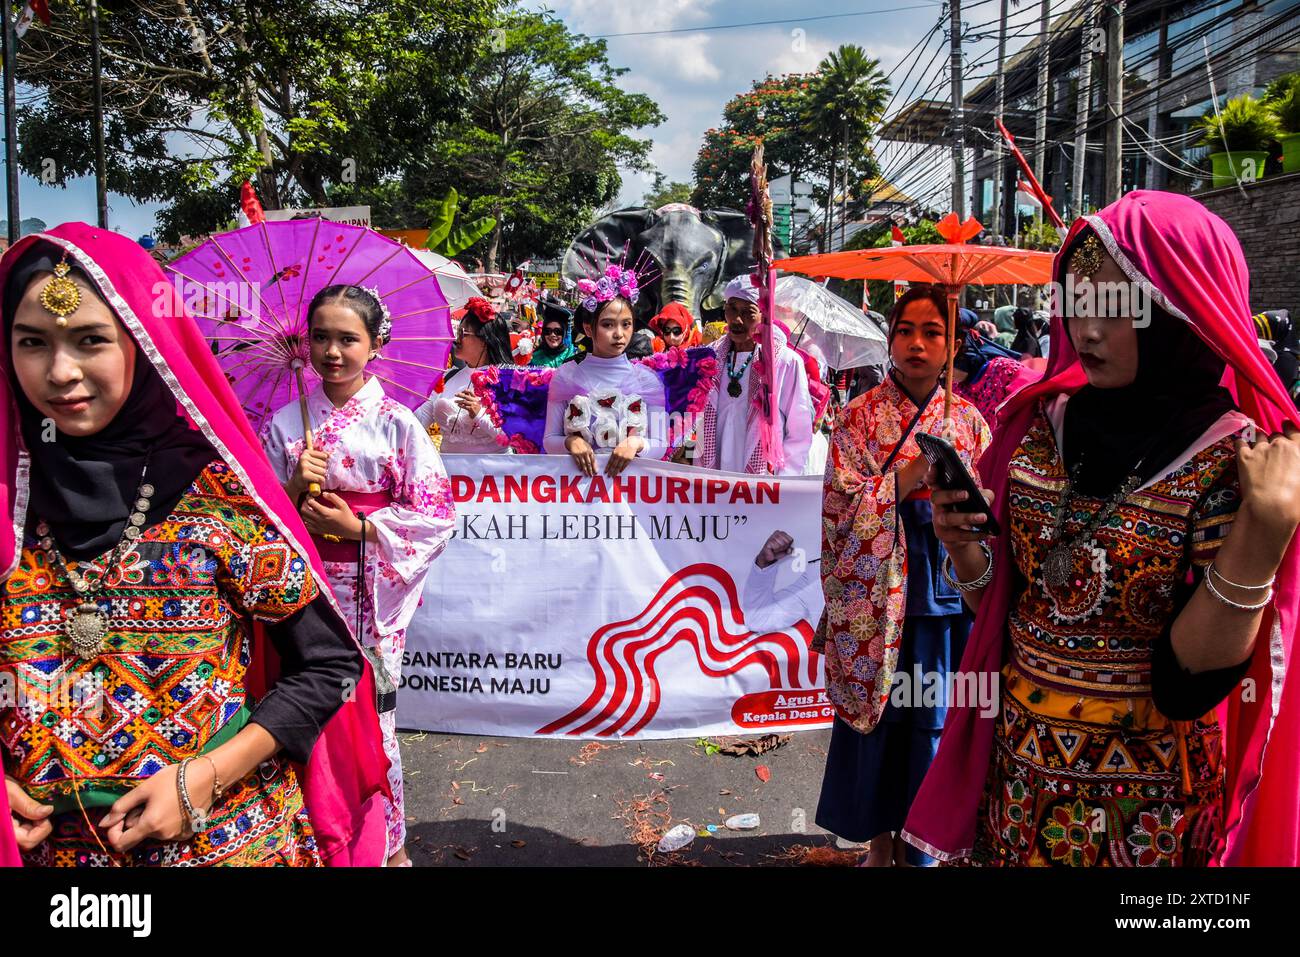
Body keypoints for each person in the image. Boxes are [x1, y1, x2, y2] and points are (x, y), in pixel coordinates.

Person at [907, 191, 1300, 867]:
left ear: (1183, 308)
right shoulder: (1039, 424)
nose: (1086, 329)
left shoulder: (1233, 462)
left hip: (1149, 820)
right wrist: (965, 547)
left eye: (1117, 308)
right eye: (1078, 302)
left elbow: (1187, 685)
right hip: (1019, 792)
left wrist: (1262, 537)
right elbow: (1009, 606)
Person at [0, 225, 389, 867]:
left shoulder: (218, 492)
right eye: (32, 343)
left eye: (91, 340)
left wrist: (199, 782)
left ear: (141, 341)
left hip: (222, 842)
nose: (61, 372)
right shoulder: (5, 501)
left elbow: (331, 668)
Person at [262, 284, 456, 867]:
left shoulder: (398, 424)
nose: (332, 351)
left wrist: (361, 529)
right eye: (320, 337)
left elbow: (437, 515)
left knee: (371, 715)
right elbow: (251, 518)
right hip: (299, 590)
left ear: (375, 346)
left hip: (370, 589)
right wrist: (291, 488)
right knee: (302, 710)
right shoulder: (283, 423)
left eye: (349, 339)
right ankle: (312, 839)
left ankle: (385, 845)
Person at [815, 285, 990, 867]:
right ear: (889, 339)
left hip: (947, 595)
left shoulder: (970, 420)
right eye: (906, 330)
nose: (917, 344)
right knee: (880, 724)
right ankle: (880, 845)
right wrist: (909, 475)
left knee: (934, 724)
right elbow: (840, 508)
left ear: (953, 345)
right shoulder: (856, 418)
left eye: (933, 332)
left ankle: (926, 846)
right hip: (877, 597)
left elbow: (994, 510)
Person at [694, 276, 815, 475]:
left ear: (764, 314)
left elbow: (799, 431)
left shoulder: (784, 361)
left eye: (748, 312)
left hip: (763, 483)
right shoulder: (709, 358)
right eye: (731, 309)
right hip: (712, 478)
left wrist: (783, 482)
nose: (737, 320)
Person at [543, 290, 667, 476]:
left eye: (626, 324)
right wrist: (570, 442)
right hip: (579, 489)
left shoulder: (647, 380)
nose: (619, 334)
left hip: (631, 494)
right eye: (608, 325)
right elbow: (549, 440)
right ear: (587, 329)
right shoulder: (566, 377)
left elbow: (660, 444)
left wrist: (636, 444)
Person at [415, 296, 511, 454]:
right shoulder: (447, 376)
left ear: (484, 340)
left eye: (463, 333)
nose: (456, 339)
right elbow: (418, 421)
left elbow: (512, 438)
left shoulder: (508, 380)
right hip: (452, 473)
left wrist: (480, 413)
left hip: (495, 475)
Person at [951, 307, 1041, 427]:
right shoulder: (955, 387)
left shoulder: (1004, 370)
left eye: (948, 367)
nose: (944, 374)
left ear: (962, 359)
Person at [530, 299, 578, 368]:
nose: (552, 335)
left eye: (557, 331)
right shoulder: (534, 358)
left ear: (564, 333)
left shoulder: (573, 356)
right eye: (548, 331)